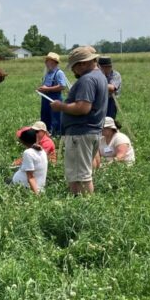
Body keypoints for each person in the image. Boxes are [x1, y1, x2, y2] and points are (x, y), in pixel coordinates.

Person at [51, 45, 108, 195]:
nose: (73, 71)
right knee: (77, 174)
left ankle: (86, 206)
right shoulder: (100, 76)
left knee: (82, 176)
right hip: (90, 131)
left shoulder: (87, 80)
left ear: (82, 64)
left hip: (81, 133)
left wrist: (60, 106)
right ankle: (76, 201)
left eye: (74, 67)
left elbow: (83, 107)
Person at [37, 52, 69, 136]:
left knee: (55, 117)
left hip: (55, 98)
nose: (46, 63)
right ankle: (46, 133)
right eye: (46, 61)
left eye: (48, 61)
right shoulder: (48, 73)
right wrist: (41, 89)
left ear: (54, 62)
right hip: (45, 97)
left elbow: (62, 86)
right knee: (45, 116)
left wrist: (47, 89)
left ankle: (57, 134)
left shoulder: (59, 73)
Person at [11, 128, 48, 195]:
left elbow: (30, 177)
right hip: (38, 187)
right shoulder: (42, 151)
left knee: (4, 181)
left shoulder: (28, 153)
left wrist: (37, 195)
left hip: (26, 188)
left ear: (23, 141)